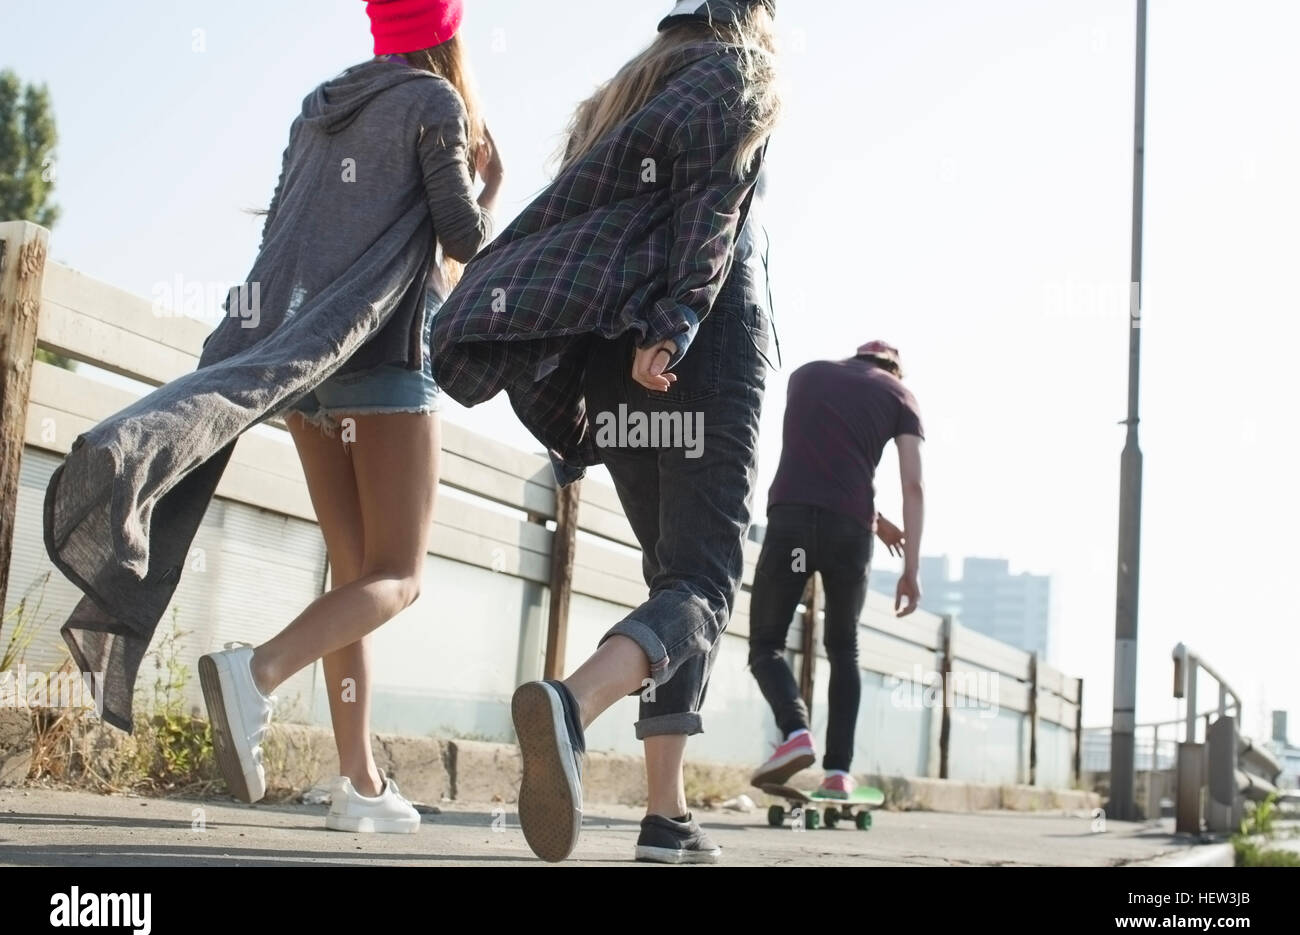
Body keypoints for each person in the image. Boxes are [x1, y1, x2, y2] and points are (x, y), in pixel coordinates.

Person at [44, 0, 501, 833]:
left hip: (307, 365)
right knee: (398, 578)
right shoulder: (437, 106)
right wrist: (487, 181)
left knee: (352, 571)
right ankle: (256, 673)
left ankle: (358, 783)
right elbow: (463, 240)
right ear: (450, 28)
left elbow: (284, 241)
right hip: (386, 363)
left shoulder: (319, 107)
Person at [430, 0, 781, 863]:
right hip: (697, 341)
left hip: (606, 358)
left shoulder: (622, 96)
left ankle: (666, 817)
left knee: (670, 585)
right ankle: (572, 707)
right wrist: (679, 321)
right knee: (701, 585)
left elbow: (588, 232)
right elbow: (713, 207)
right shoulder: (744, 74)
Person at [746, 341, 925, 796]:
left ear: (857, 358)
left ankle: (794, 732)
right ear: (895, 370)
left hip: (790, 519)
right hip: (848, 532)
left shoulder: (806, 374)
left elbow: (822, 459)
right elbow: (914, 486)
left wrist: (878, 521)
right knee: (844, 649)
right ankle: (839, 773)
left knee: (767, 644)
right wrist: (911, 569)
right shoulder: (899, 396)